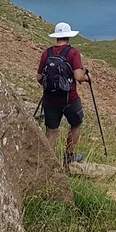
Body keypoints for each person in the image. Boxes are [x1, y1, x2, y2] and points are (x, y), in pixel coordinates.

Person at [37, 21, 90, 166]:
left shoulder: (47, 53)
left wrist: (50, 87)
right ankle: (69, 157)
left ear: (56, 36)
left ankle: (48, 163)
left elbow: (39, 77)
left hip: (49, 99)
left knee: (52, 130)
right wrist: (87, 78)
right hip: (69, 98)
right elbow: (78, 76)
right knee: (76, 124)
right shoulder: (73, 52)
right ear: (68, 36)